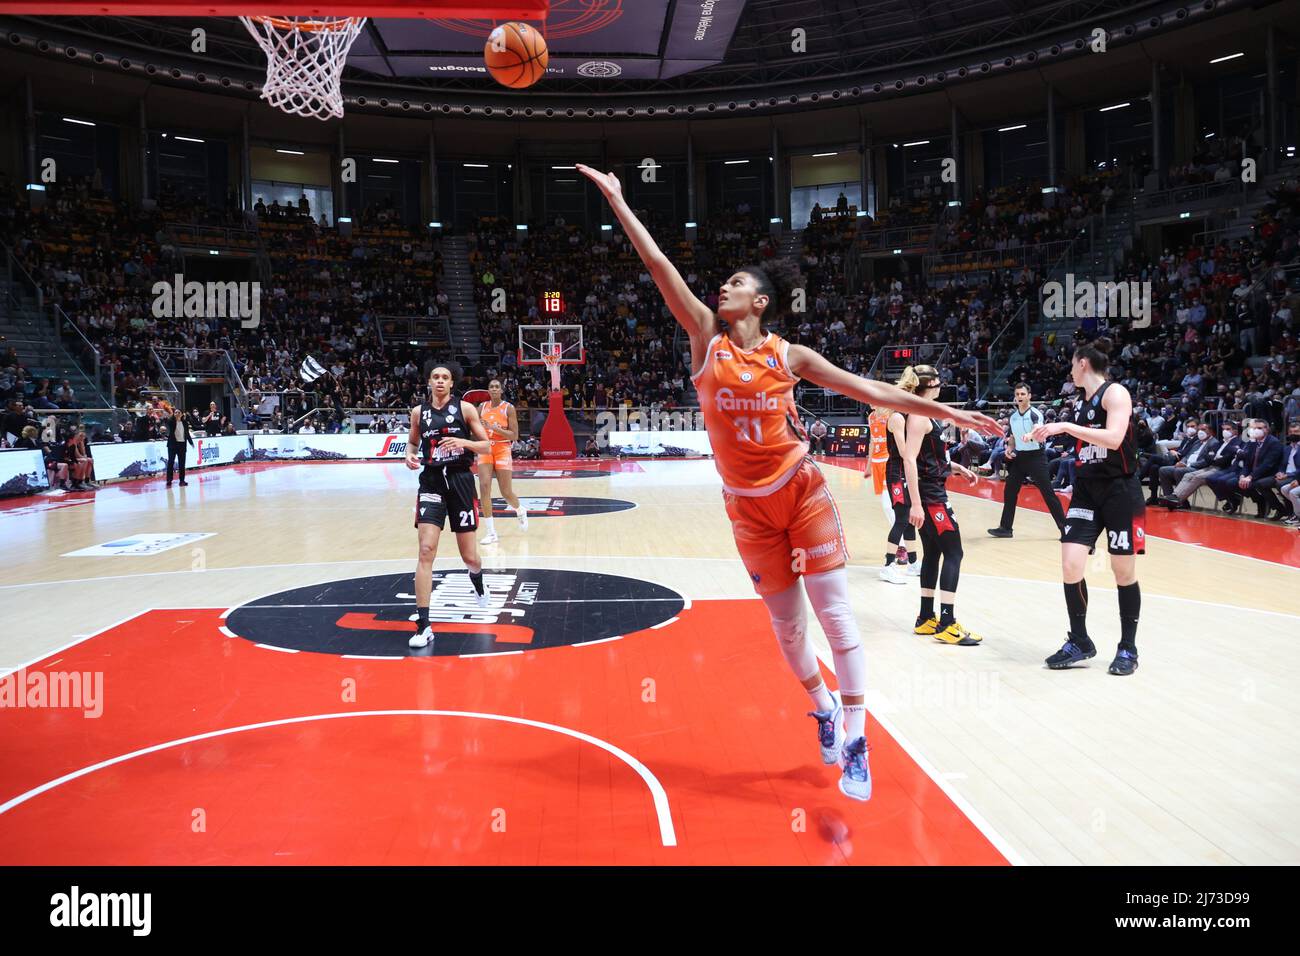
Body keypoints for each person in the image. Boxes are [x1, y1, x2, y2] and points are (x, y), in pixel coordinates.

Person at [577, 162, 1000, 801]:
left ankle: (856, 737)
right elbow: (660, 267)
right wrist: (617, 200)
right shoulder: (704, 340)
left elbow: (870, 388)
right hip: (746, 509)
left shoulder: (789, 356)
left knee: (836, 616)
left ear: (762, 302)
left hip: (801, 491)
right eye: (724, 281)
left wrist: (947, 411)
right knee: (789, 631)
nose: (724, 287)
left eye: (737, 282)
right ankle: (825, 707)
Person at [1029, 338, 1143, 676]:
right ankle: (1079, 640)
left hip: (1120, 491)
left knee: (1123, 571)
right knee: (1070, 564)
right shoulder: (1083, 402)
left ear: (1082, 363)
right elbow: (1088, 443)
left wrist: (1063, 426)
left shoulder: (1115, 393)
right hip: (1086, 491)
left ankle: (1128, 647)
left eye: (1072, 364)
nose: (1070, 371)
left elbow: (1113, 439)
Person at [406, 361, 493, 650]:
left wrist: (462, 443)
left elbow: (486, 446)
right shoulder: (419, 413)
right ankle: (424, 625)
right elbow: (412, 444)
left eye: (445, 377)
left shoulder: (466, 410)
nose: (440, 381)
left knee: (470, 557)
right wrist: (409, 456)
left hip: (459, 481)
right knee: (426, 549)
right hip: (431, 481)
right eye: (435, 377)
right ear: (429, 382)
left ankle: (478, 580)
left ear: (452, 383)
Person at [897, 366, 983, 644]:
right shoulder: (920, 416)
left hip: (931, 491)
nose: (941, 385)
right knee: (954, 553)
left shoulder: (924, 413)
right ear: (931, 385)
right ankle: (947, 623)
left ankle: (925, 618)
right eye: (938, 382)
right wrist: (917, 504)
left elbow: (931, 458)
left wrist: (958, 468)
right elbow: (909, 459)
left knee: (933, 554)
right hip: (931, 497)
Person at [989, 383, 1067, 537]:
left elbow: (1039, 430)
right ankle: (1006, 528)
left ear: (1029, 396)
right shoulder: (1013, 417)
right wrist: (1010, 448)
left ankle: (1065, 528)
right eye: (1017, 394)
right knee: (1010, 491)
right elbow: (1012, 437)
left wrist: (1031, 435)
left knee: (1048, 493)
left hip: (1036, 458)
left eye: (1023, 394)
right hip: (1020, 458)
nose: (1019, 397)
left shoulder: (1035, 413)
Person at [476, 378, 528, 545]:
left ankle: (520, 510)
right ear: (488, 390)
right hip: (485, 449)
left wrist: (494, 427)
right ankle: (491, 533)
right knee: (484, 488)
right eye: (491, 386)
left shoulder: (509, 408)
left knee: (506, 492)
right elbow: (475, 429)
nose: (494, 389)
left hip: (502, 448)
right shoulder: (481, 407)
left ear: (501, 390)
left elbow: (514, 436)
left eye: (497, 386)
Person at [878, 402, 920, 585]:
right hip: (897, 472)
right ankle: (887, 566)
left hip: (905, 471)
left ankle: (913, 563)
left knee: (909, 520)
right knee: (901, 519)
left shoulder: (906, 417)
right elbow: (904, 451)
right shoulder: (896, 417)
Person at [165, 404, 194, 487]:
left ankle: (182, 480)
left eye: (178, 412)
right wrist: (173, 417)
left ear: (182, 414)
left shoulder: (184, 423)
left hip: (182, 445)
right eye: (175, 412)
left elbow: (187, 434)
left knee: (182, 464)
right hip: (172, 445)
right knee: (171, 462)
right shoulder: (171, 422)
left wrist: (191, 442)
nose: (177, 413)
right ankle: (169, 480)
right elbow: (168, 423)